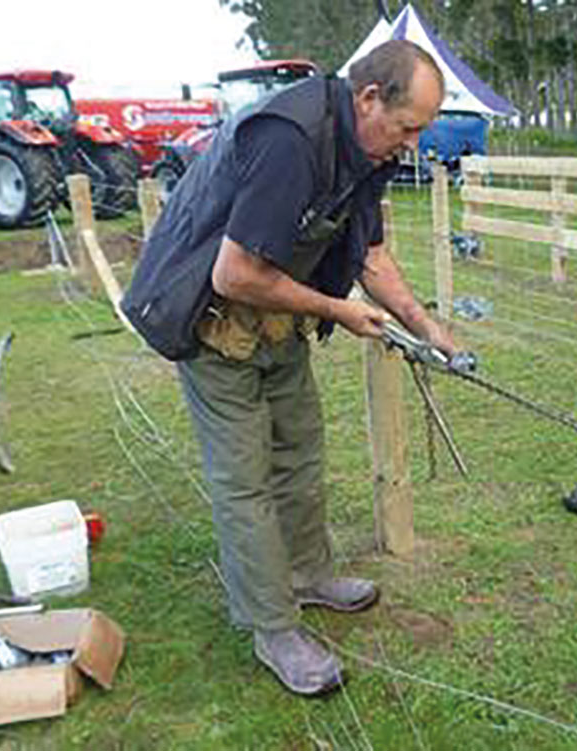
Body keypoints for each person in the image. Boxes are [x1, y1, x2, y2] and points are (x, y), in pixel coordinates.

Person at [122, 40, 454, 696]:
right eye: (407, 126)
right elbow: (235, 274)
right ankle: (273, 627)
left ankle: (307, 576)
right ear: (368, 99)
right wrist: (338, 309)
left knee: (300, 455)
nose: (412, 144)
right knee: (245, 482)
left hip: (277, 321)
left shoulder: (368, 152)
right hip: (210, 321)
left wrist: (427, 327)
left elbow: (372, 256)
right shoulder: (288, 138)